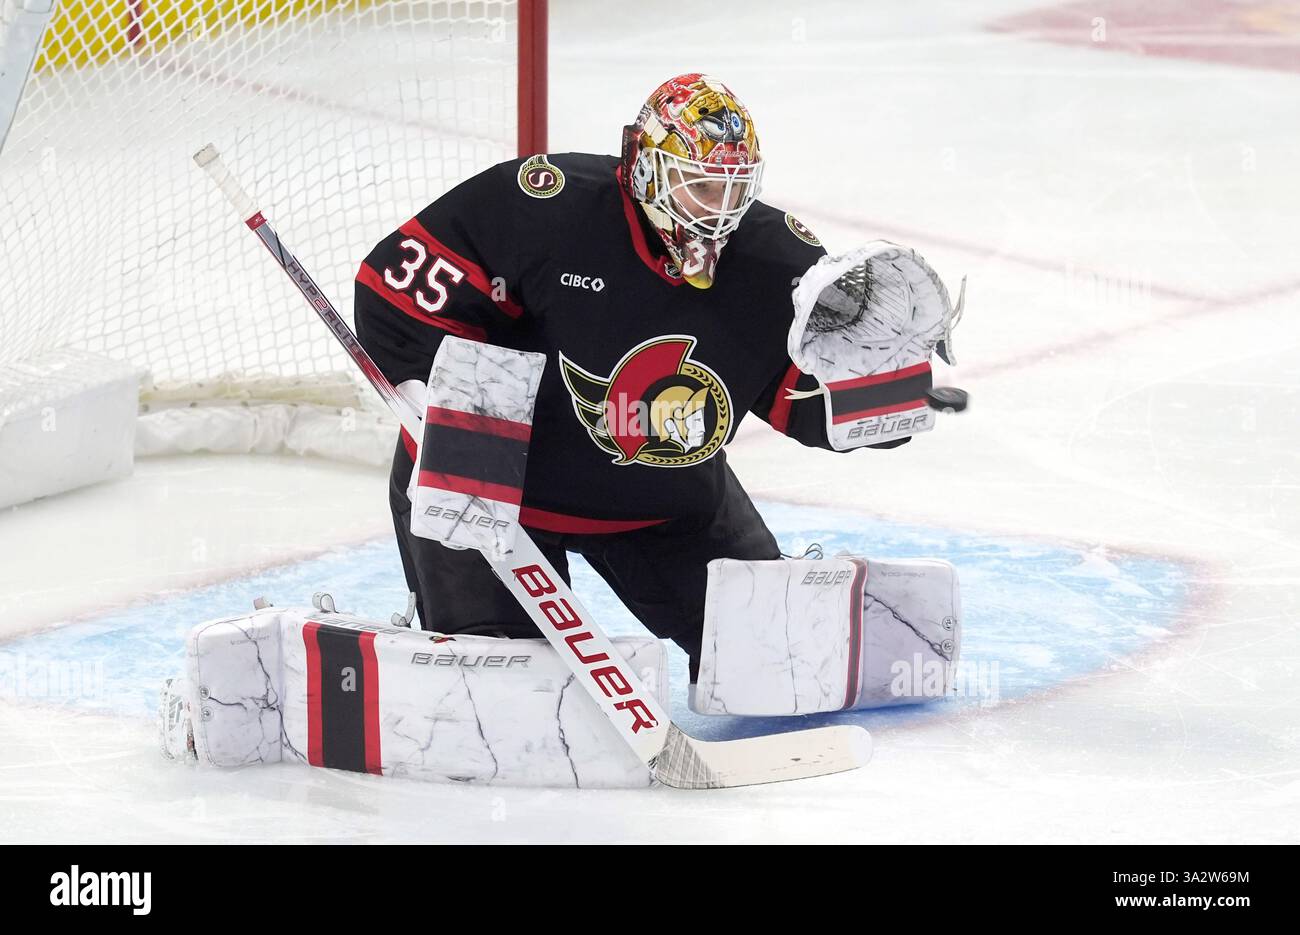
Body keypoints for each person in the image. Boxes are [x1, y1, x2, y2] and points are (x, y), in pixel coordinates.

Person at [354, 73, 910, 678]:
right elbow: (394, 292)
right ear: (645, 167)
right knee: (509, 702)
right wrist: (425, 400)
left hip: (666, 507)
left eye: (733, 189)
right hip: (502, 507)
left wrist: (890, 399)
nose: (717, 211)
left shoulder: (772, 258)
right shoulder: (543, 208)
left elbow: (794, 395)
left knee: (782, 666)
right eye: (698, 186)